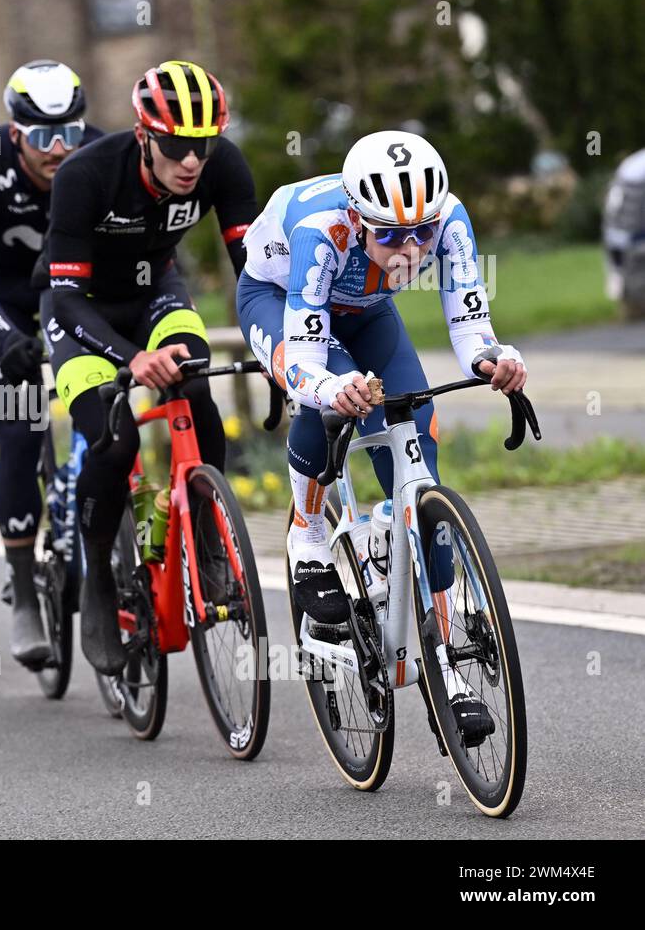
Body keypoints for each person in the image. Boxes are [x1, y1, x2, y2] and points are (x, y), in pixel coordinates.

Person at [236, 129, 526, 742]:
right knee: (334, 399)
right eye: (392, 235)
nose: (410, 248)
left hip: (366, 308)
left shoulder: (446, 218)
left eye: (421, 231)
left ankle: (447, 663)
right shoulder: (322, 230)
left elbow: (472, 323)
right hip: (278, 299)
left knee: (418, 439)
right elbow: (307, 362)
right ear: (357, 215)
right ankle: (309, 534)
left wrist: (495, 361)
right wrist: (327, 392)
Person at [41, 60, 258, 676]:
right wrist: (130, 360)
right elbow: (66, 298)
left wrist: (283, 348)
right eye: (175, 146)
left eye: (203, 145)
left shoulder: (223, 165)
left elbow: (256, 272)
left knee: (193, 375)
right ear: (144, 136)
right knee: (114, 440)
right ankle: (99, 588)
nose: (191, 161)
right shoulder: (86, 175)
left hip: (157, 295)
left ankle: (210, 539)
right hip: (80, 313)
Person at [0, 59, 102, 666]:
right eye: (42, 137)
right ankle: (22, 593)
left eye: (70, 132)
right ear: (15, 133)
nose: (59, 149)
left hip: (74, 294)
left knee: (108, 415)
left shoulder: (100, 152)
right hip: (1, 306)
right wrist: (4, 337)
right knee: (22, 427)